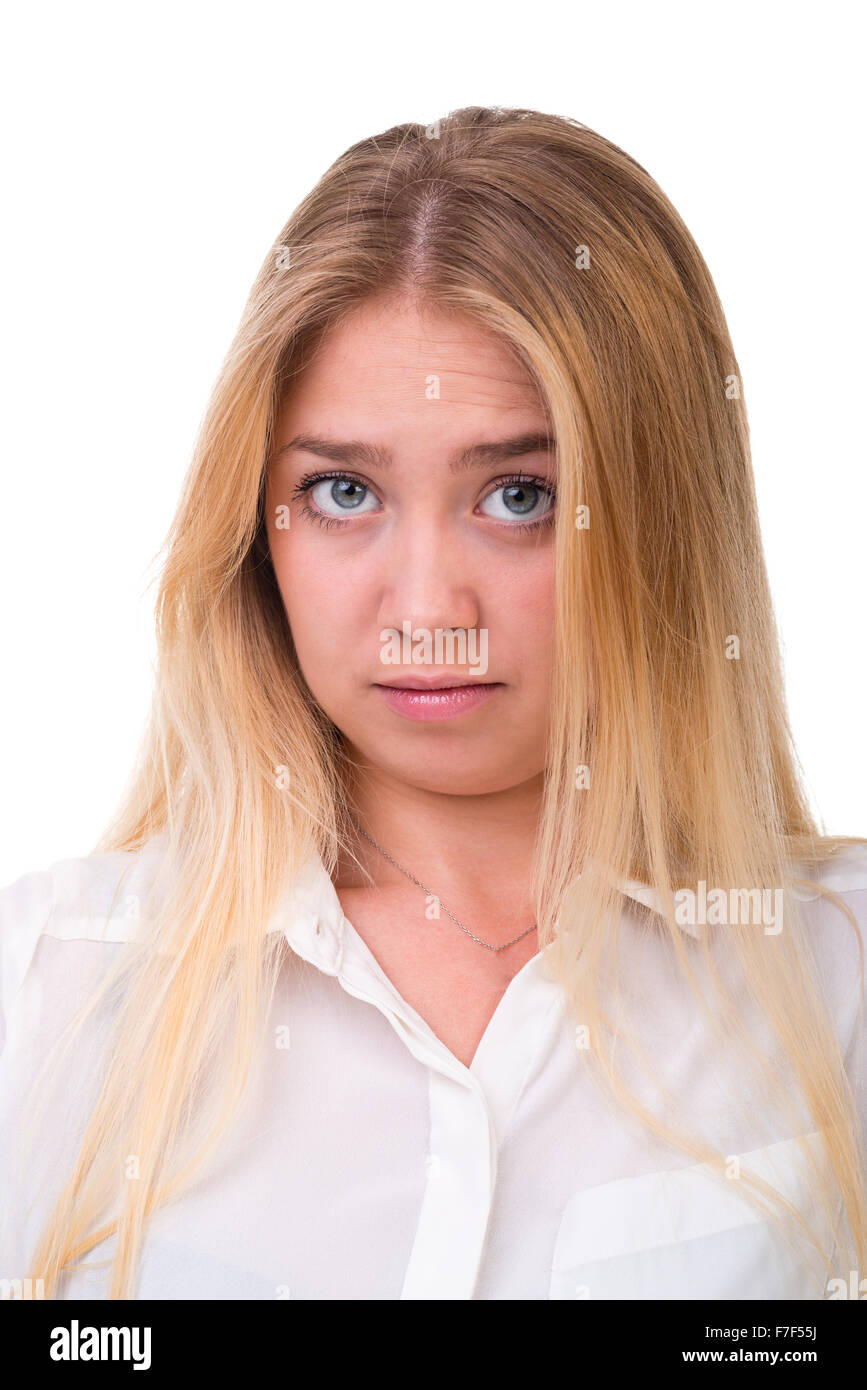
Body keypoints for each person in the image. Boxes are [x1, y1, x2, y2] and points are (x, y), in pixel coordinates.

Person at [1, 105, 864, 1302]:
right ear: (256, 528)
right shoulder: (43, 987)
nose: (426, 607)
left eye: (518, 495)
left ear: (663, 523)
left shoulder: (840, 979)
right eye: (344, 489)